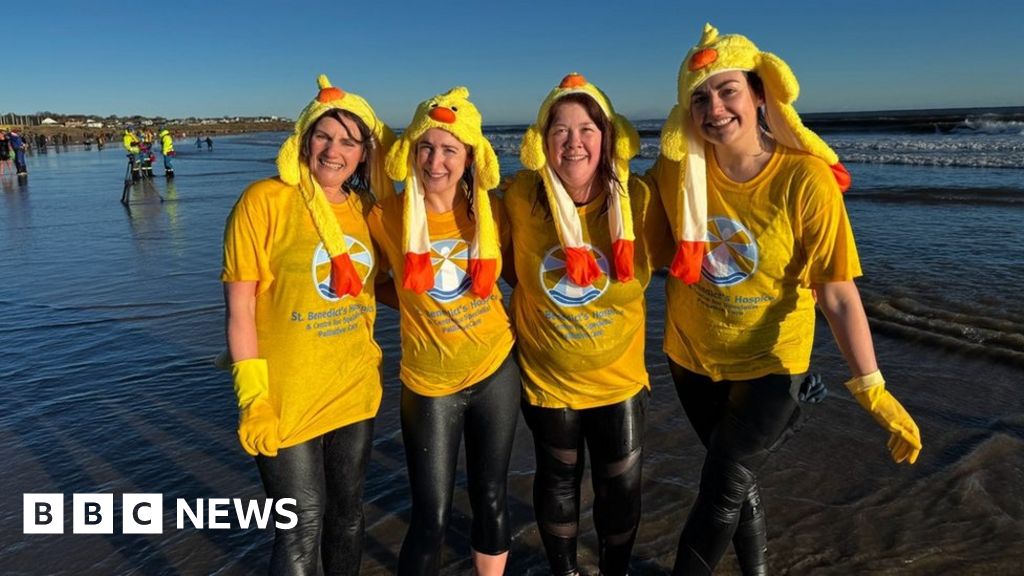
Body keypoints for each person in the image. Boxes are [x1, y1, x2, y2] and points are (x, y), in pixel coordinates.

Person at [648, 24, 923, 575]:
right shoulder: (675, 172)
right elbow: (630, 240)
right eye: (699, 98)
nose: (714, 108)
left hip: (772, 365)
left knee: (721, 487)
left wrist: (872, 387)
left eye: (727, 90)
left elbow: (837, 293)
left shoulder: (804, 179)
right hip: (692, 358)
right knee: (733, 479)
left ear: (758, 93)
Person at [220, 74, 395, 575]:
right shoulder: (264, 200)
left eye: (348, 141)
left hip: (353, 387)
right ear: (303, 139)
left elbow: (380, 285)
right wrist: (253, 399)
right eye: (324, 136)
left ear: (364, 154)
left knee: (347, 517)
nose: (334, 151)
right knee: (300, 528)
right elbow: (239, 308)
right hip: (286, 396)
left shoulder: (365, 209)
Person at [504, 73, 671, 576]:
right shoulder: (519, 196)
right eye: (560, 129)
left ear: (608, 137)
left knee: (620, 488)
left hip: (619, 381)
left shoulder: (639, 198)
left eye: (586, 129)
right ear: (542, 140)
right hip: (548, 381)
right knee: (558, 479)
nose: (573, 142)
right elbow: (493, 259)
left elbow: (694, 247)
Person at [367, 86, 518, 576]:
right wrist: (416, 303)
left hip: (496, 370)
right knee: (430, 515)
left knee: (490, 497)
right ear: (411, 151)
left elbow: (521, 273)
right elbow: (370, 280)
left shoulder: (493, 211)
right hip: (428, 384)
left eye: (450, 150)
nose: (436, 161)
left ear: (470, 157)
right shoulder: (385, 216)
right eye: (426, 147)